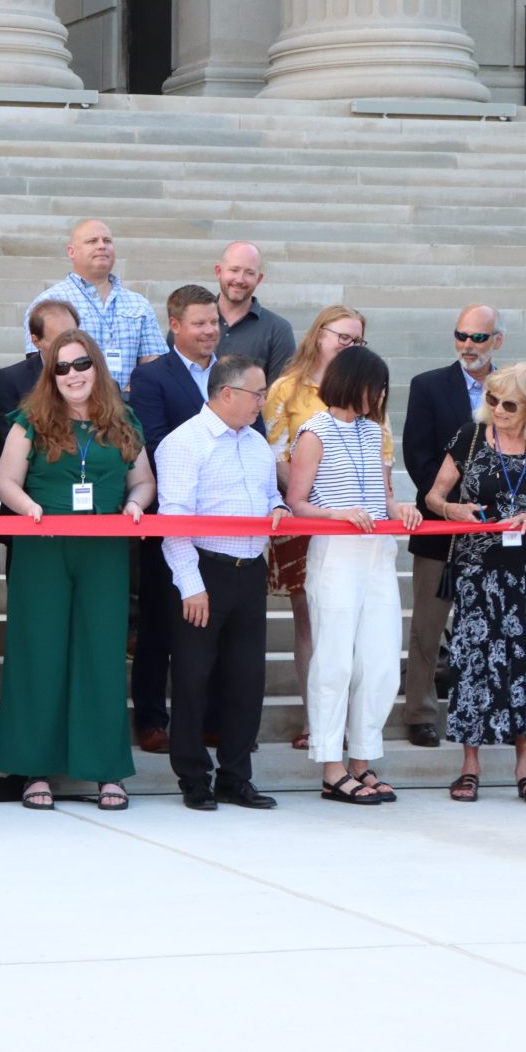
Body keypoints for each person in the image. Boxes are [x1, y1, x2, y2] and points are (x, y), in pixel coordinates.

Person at [0, 330, 154, 812]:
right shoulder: (31, 420)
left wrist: (135, 503)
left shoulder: (122, 420)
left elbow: (143, 480)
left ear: (96, 367)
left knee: (101, 653)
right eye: (61, 367)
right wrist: (30, 508)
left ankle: (106, 769)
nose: (72, 374)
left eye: (81, 364)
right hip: (43, 547)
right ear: (51, 374)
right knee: (38, 652)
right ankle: (34, 769)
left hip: (104, 550)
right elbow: (5, 481)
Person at [426, 363, 526, 807]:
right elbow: (434, 496)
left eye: (508, 404)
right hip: (480, 572)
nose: (497, 409)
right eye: (491, 399)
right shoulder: (470, 437)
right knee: (475, 664)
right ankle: (470, 767)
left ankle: (525, 770)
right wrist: (452, 510)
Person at [283, 347, 423, 806]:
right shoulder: (314, 431)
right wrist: (337, 514)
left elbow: (384, 496)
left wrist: (401, 509)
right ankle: (331, 766)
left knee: (380, 662)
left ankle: (362, 760)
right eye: (375, 386)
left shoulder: (374, 431)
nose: (379, 395)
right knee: (335, 661)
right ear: (353, 382)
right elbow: (297, 502)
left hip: (378, 553)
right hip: (336, 555)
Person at [156, 355, 289, 811]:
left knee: (247, 678)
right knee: (193, 678)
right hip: (203, 570)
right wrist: (190, 583)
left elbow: (270, 495)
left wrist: (279, 509)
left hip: (250, 570)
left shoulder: (256, 443)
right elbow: (173, 519)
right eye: (258, 394)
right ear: (227, 393)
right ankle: (194, 778)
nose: (262, 402)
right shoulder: (184, 442)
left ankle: (236, 776)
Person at [263, 304, 387, 750]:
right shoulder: (287, 389)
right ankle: (316, 721)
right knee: (312, 622)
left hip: (360, 526)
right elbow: (274, 453)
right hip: (305, 517)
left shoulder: (369, 391)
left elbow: (382, 457)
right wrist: (319, 501)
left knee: (357, 628)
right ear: (319, 334)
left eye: (358, 340)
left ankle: (350, 724)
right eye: (343, 337)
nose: (349, 345)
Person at [399, 304, 505, 748]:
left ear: (497, 340)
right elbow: (417, 454)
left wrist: (493, 510)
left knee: (489, 625)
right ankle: (420, 713)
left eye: (478, 337)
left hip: (495, 530)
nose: (468, 345)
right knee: (427, 626)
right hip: (439, 527)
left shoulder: (513, 388)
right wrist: (451, 507)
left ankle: (482, 708)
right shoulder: (428, 386)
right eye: (461, 335)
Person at [126, 283, 225, 752]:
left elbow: (253, 431)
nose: (209, 331)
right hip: (170, 515)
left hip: (225, 524)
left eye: (214, 322)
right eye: (199, 323)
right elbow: (155, 442)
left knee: (216, 624)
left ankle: (208, 717)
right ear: (175, 326)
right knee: (159, 625)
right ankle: (150, 718)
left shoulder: (232, 371)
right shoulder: (151, 378)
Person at [25, 218, 166, 389]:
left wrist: (126, 396)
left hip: (129, 402)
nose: (102, 246)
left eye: (107, 241)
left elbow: (154, 363)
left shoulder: (139, 304)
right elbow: (38, 366)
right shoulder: (48, 304)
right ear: (71, 252)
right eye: (92, 241)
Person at [0, 299, 78, 454]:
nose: (69, 345)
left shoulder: (94, 378)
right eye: (59, 341)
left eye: (74, 336)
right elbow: (10, 444)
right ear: (36, 341)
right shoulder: (11, 380)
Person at [211, 241, 296, 381]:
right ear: (219, 272)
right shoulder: (192, 320)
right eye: (234, 270)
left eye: (249, 273)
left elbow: (279, 390)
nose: (240, 279)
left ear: (259, 279)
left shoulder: (278, 330)